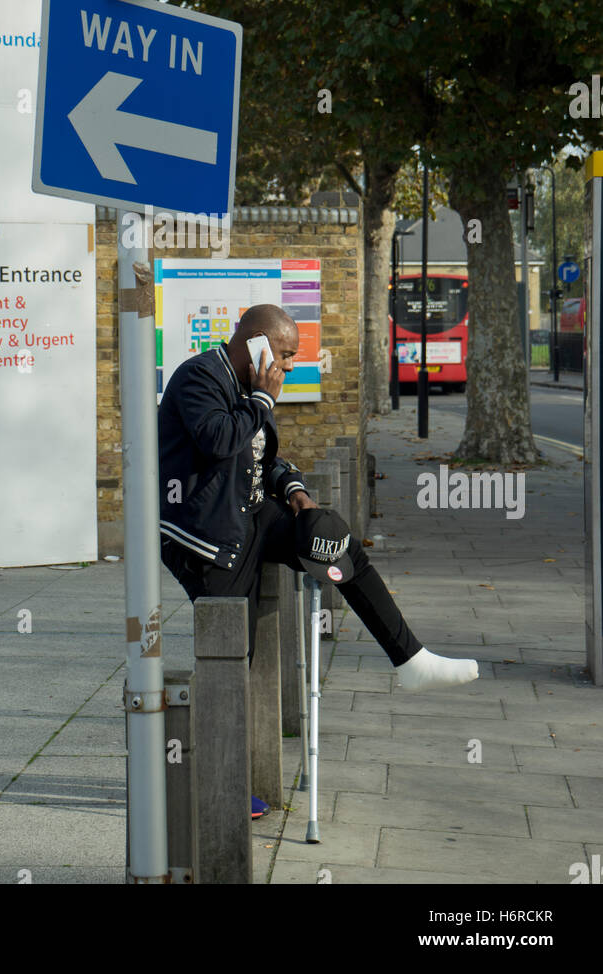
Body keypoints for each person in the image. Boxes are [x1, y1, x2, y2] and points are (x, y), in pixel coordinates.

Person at [158, 303, 479, 816]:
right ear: (257, 342)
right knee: (230, 658)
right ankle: (217, 784)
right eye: (284, 355)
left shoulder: (248, 390)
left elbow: (262, 458)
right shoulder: (198, 378)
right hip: (204, 535)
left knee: (333, 539)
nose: (288, 367)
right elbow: (219, 441)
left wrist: (296, 490)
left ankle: (411, 660)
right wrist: (263, 398)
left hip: (251, 517)